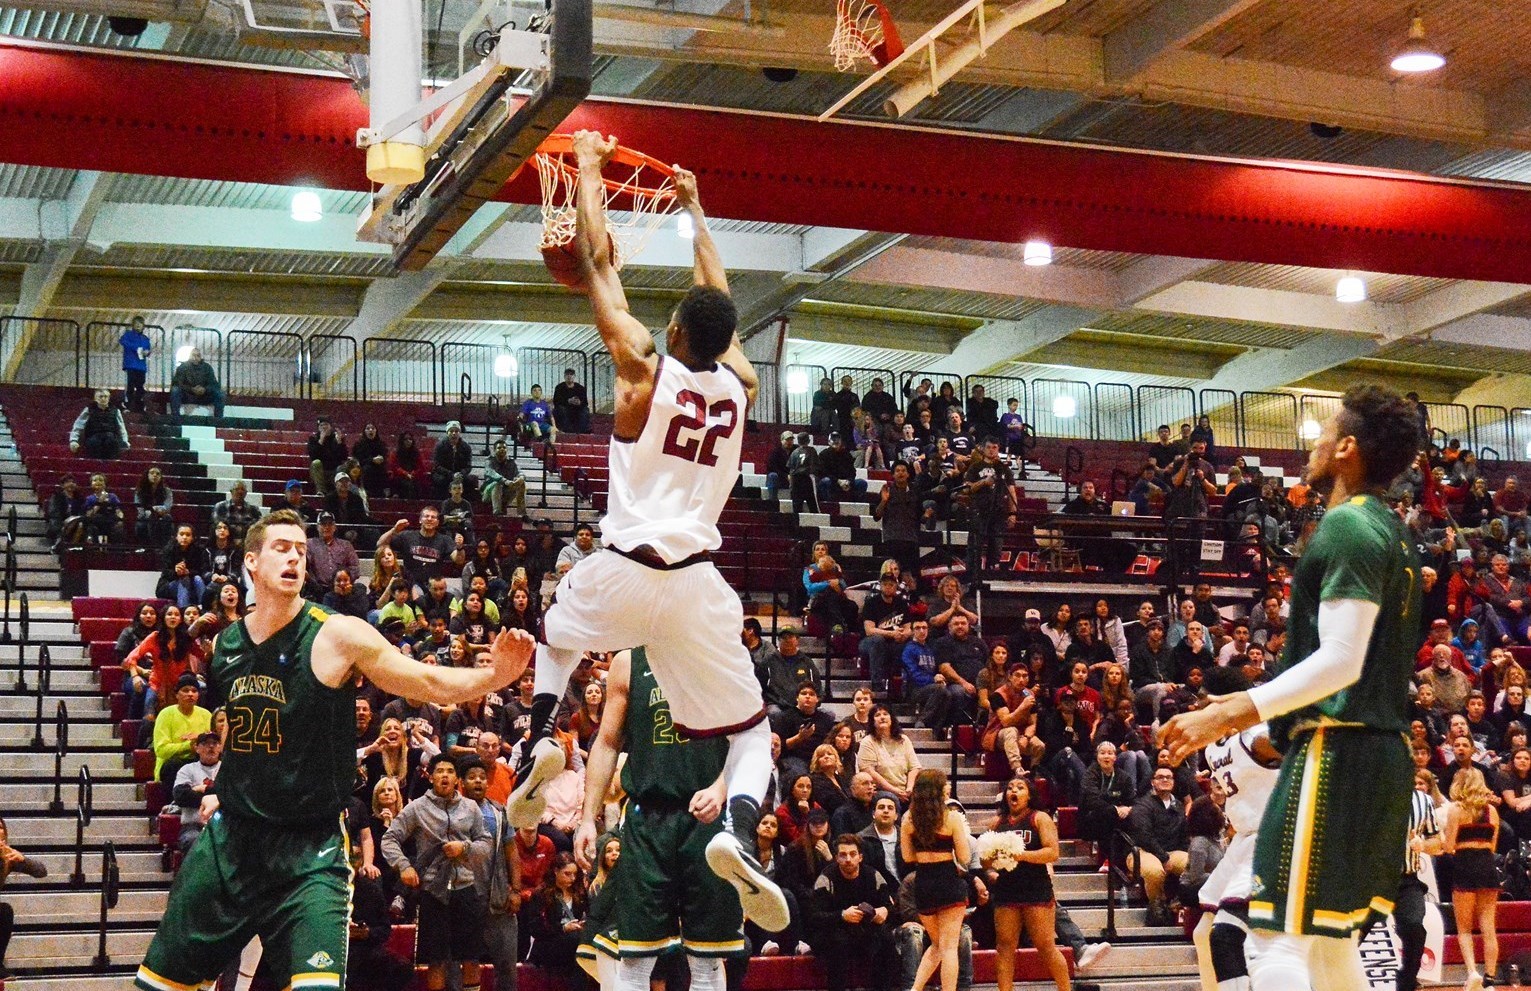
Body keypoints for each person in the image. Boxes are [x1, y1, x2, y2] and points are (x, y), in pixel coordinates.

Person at [508, 132, 786, 932]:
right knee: (750, 732)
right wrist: (697, 214)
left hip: (628, 566)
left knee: (558, 635)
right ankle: (734, 830)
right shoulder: (741, 382)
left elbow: (596, 261)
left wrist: (589, 170)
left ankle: (537, 742)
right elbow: (718, 297)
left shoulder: (640, 366)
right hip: (700, 583)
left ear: (672, 330)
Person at [134, 509, 537, 991]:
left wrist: (493, 677)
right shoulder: (225, 646)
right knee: (160, 986)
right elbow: (246, 738)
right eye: (282, 548)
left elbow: (424, 679)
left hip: (309, 846)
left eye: (302, 551)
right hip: (233, 840)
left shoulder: (337, 634)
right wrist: (224, 788)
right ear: (251, 563)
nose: (294, 558)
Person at [1162, 385, 1423, 991]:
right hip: (1379, 754)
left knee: (1275, 936)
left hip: (1338, 750)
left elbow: (1341, 661)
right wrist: (1240, 703)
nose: (1317, 439)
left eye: (1328, 428)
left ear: (1348, 449)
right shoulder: (1392, 532)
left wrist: (1233, 714)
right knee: (1329, 946)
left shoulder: (1349, 528)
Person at [573, 647, 745, 990]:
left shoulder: (724, 653)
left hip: (706, 816)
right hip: (646, 815)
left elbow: (748, 739)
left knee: (707, 961)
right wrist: (588, 817)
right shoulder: (627, 662)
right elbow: (606, 743)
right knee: (636, 958)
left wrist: (721, 788)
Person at [1189, 666, 1281, 991]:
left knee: (1226, 936)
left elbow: (1294, 746)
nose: (1195, 706)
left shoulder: (1256, 737)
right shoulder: (1213, 744)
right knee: (1203, 932)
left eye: (1202, 699)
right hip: (1243, 841)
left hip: (1273, 839)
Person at [382, 753, 491, 991]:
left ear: (457, 779)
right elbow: (389, 839)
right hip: (433, 892)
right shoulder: (417, 808)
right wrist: (404, 866)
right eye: (440, 771)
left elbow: (486, 843)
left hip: (465, 888)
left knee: (472, 957)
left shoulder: (471, 807)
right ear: (431, 777)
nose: (445, 776)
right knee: (437, 959)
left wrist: (465, 848)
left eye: (450, 772)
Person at [983, 777, 1073, 991]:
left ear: (1029, 794)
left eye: (1020, 787)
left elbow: (1052, 852)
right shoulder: (996, 823)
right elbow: (984, 861)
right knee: (1004, 948)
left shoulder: (1039, 818)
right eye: (1010, 788)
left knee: (1046, 947)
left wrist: (1021, 855)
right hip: (1006, 890)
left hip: (1036, 889)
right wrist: (994, 857)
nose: (1014, 791)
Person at [901, 769, 969, 991]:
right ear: (937, 790)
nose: (948, 786)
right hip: (948, 881)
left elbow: (907, 857)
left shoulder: (908, 820)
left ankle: (915, 990)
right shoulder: (952, 817)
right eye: (945, 784)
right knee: (949, 947)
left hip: (923, 883)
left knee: (938, 945)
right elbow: (965, 857)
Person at [813, 833, 897, 991]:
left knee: (886, 939)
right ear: (836, 858)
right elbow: (814, 916)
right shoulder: (826, 878)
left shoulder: (873, 876)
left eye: (852, 854)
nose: (848, 859)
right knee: (838, 941)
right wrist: (842, 915)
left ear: (860, 857)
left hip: (866, 930)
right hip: (834, 930)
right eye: (843, 855)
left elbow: (892, 907)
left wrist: (884, 911)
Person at [1447, 768, 1501, 991]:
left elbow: (1449, 846)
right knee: (1488, 927)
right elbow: (1493, 845)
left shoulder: (1456, 809)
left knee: (1465, 929)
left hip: (1464, 866)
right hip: (1487, 867)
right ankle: (1490, 980)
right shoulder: (1492, 811)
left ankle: (1472, 973)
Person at [0, 816, 47, 978]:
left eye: (0, 827)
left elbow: (42, 872)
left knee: (4, 911)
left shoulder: (7, 856)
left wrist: (24, 860)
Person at [377, 506, 466, 592]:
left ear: (437, 522)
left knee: (455, 593)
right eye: (426, 516)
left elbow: (459, 560)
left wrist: (459, 547)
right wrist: (394, 530)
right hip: (411, 584)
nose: (429, 519)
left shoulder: (445, 540)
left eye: (433, 517)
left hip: (434, 584)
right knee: (419, 596)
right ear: (420, 520)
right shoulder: (407, 536)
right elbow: (380, 544)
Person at [172, 731, 223, 851]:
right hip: (193, 826)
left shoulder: (227, 768)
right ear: (197, 748)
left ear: (220, 747)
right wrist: (216, 795)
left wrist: (203, 789)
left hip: (223, 826)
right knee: (193, 840)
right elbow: (181, 797)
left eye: (215, 743)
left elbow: (232, 794)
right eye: (206, 743)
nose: (211, 747)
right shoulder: (187, 770)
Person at [69, 387, 130, 459]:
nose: (103, 399)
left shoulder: (116, 411)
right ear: (95, 398)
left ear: (109, 398)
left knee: (112, 442)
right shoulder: (89, 410)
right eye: (100, 396)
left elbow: (121, 428)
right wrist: (73, 440)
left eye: (106, 396)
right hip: (93, 437)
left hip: (111, 438)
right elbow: (78, 425)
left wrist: (125, 441)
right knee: (94, 443)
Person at [169, 347, 224, 417]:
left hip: (204, 396)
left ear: (201, 357)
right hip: (187, 396)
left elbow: (214, 384)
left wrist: (205, 389)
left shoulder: (207, 368)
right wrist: (191, 389)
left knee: (220, 393)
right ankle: (175, 416)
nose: (195, 358)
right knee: (175, 390)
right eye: (193, 355)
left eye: (198, 355)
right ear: (189, 356)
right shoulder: (182, 367)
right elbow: (177, 383)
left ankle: (218, 419)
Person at [482, 438, 528, 519]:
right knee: (497, 483)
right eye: (499, 448)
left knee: (522, 484)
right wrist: (505, 481)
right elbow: (491, 473)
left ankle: (522, 514)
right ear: (494, 450)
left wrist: (521, 478)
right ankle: (497, 513)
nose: (502, 449)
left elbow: (520, 472)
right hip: (488, 493)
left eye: (504, 448)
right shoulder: (489, 461)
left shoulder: (512, 462)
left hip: (505, 492)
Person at [119, 316, 152, 412]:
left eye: (140, 324)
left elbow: (148, 350)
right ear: (133, 325)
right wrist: (137, 348)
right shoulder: (128, 335)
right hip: (130, 365)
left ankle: (139, 405)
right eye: (136, 323)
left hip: (141, 366)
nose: (138, 325)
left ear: (143, 326)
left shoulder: (145, 338)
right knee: (130, 385)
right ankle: (127, 405)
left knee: (140, 386)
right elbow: (122, 341)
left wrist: (147, 352)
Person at [308, 418, 348, 495]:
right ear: (318, 427)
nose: (324, 427)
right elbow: (313, 456)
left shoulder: (337, 438)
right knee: (316, 463)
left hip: (335, 470)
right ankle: (321, 491)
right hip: (320, 472)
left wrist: (340, 443)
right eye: (321, 425)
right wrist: (321, 440)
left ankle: (339, 491)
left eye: (326, 424)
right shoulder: (313, 439)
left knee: (343, 466)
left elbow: (344, 457)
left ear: (330, 426)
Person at [552, 367, 592, 433]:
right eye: (567, 375)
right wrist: (568, 401)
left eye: (571, 374)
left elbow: (585, 403)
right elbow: (556, 401)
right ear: (564, 376)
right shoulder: (559, 387)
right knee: (560, 410)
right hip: (564, 409)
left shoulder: (580, 388)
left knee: (585, 410)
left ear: (574, 376)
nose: (569, 376)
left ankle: (582, 431)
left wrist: (579, 403)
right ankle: (566, 430)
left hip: (577, 409)